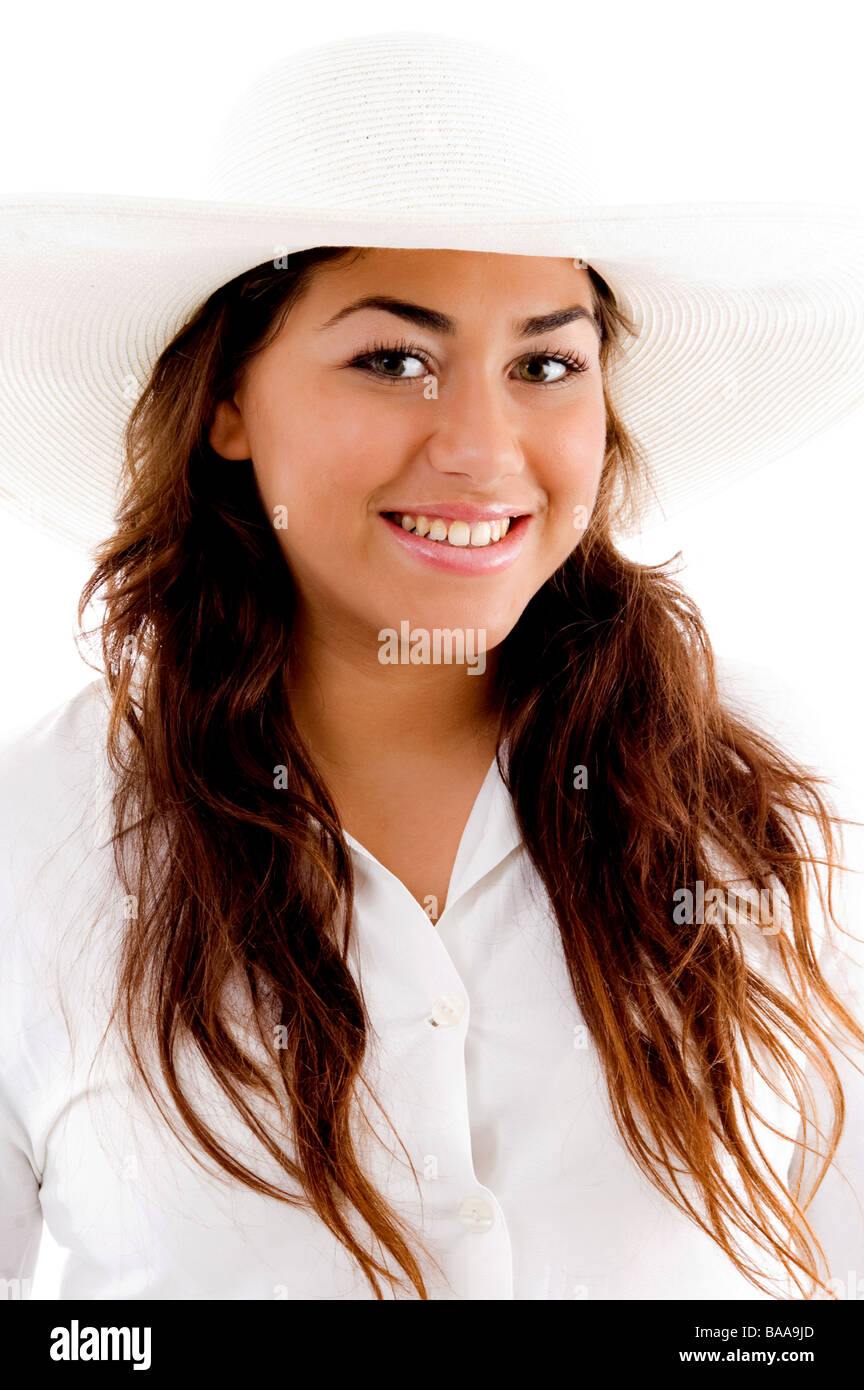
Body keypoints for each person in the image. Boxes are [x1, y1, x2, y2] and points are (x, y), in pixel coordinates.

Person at [1, 31, 863, 1302]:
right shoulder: (39, 840)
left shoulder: (793, 793)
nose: (481, 447)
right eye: (392, 359)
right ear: (229, 401)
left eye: (546, 365)